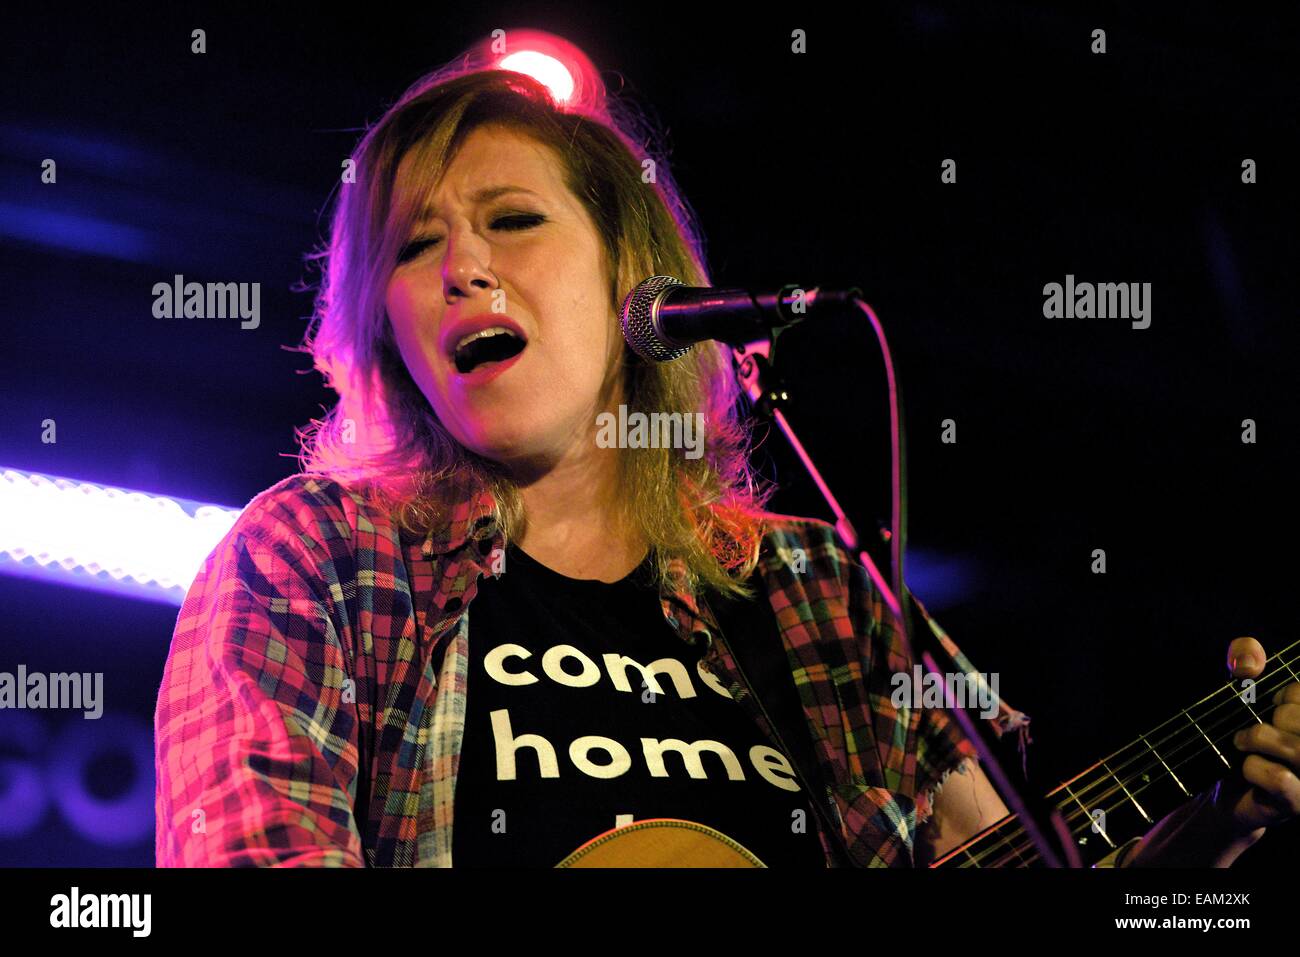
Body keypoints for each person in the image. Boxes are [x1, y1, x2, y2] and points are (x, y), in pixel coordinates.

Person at [153, 64, 1296, 868]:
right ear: (385, 326)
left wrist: (1211, 830)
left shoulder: (819, 593)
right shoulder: (317, 563)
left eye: (511, 220)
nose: (462, 267)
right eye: (413, 244)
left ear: (631, 282)